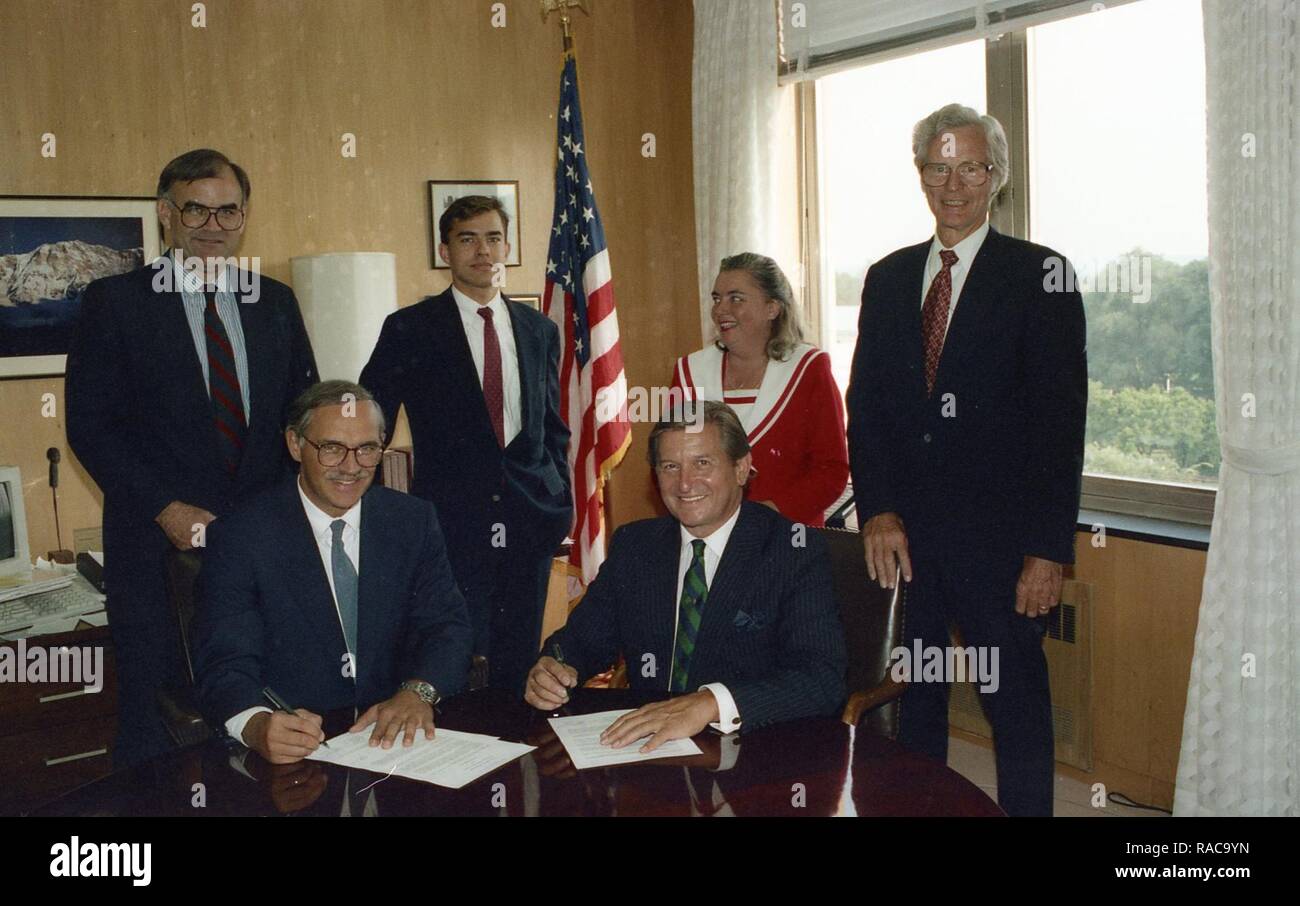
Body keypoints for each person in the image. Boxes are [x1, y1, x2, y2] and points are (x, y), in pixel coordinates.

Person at [845, 104, 1087, 816]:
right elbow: (869, 410)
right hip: (907, 546)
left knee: (1016, 712)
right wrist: (879, 509)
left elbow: (1059, 428)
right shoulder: (887, 279)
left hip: (1004, 550)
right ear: (920, 174)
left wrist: (1048, 552)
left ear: (996, 178)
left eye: (971, 168)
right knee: (913, 709)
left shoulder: (1042, 275)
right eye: (939, 166)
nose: (954, 184)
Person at [65, 149, 318, 768]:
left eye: (226, 210)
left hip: (260, 545)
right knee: (161, 723)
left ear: (243, 216)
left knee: (261, 707)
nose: (212, 225)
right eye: (195, 210)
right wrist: (164, 507)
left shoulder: (275, 302)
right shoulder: (116, 302)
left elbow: (299, 418)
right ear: (165, 214)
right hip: (155, 548)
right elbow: (90, 428)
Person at [525, 401, 845, 750]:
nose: (684, 483)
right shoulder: (635, 546)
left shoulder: (793, 551)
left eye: (702, 463)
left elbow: (821, 680)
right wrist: (553, 666)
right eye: (670, 466)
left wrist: (710, 703)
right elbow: (581, 641)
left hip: (753, 757)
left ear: (741, 468)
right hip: (648, 757)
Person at [191, 381, 473, 764]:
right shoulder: (241, 535)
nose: (351, 467)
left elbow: (448, 626)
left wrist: (417, 693)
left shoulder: (412, 521)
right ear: (295, 445)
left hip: (398, 746)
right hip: (297, 752)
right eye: (332, 448)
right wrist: (256, 725)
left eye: (367, 449)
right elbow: (225, 662)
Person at [361, 195, 571, 696]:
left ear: (508, 247)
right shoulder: (410, 328)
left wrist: (559, 498)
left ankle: (518, 767)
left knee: (518, 665)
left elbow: (552, 427)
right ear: (445, 250)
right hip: (452, 525)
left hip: (529, 521)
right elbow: (374, 420)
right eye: (467, 239)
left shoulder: (538, 329)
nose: (483, 250)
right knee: (454, 660)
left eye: (493, 238)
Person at [670, 253, 848, 526]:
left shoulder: (809, 369)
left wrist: (764, 517)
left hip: (788, 538)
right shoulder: (690, 372)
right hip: (707, 537)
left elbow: (831, 471)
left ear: (772, 308)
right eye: (717, 298)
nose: (720, 310)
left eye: (736, 298)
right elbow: (670, 462)